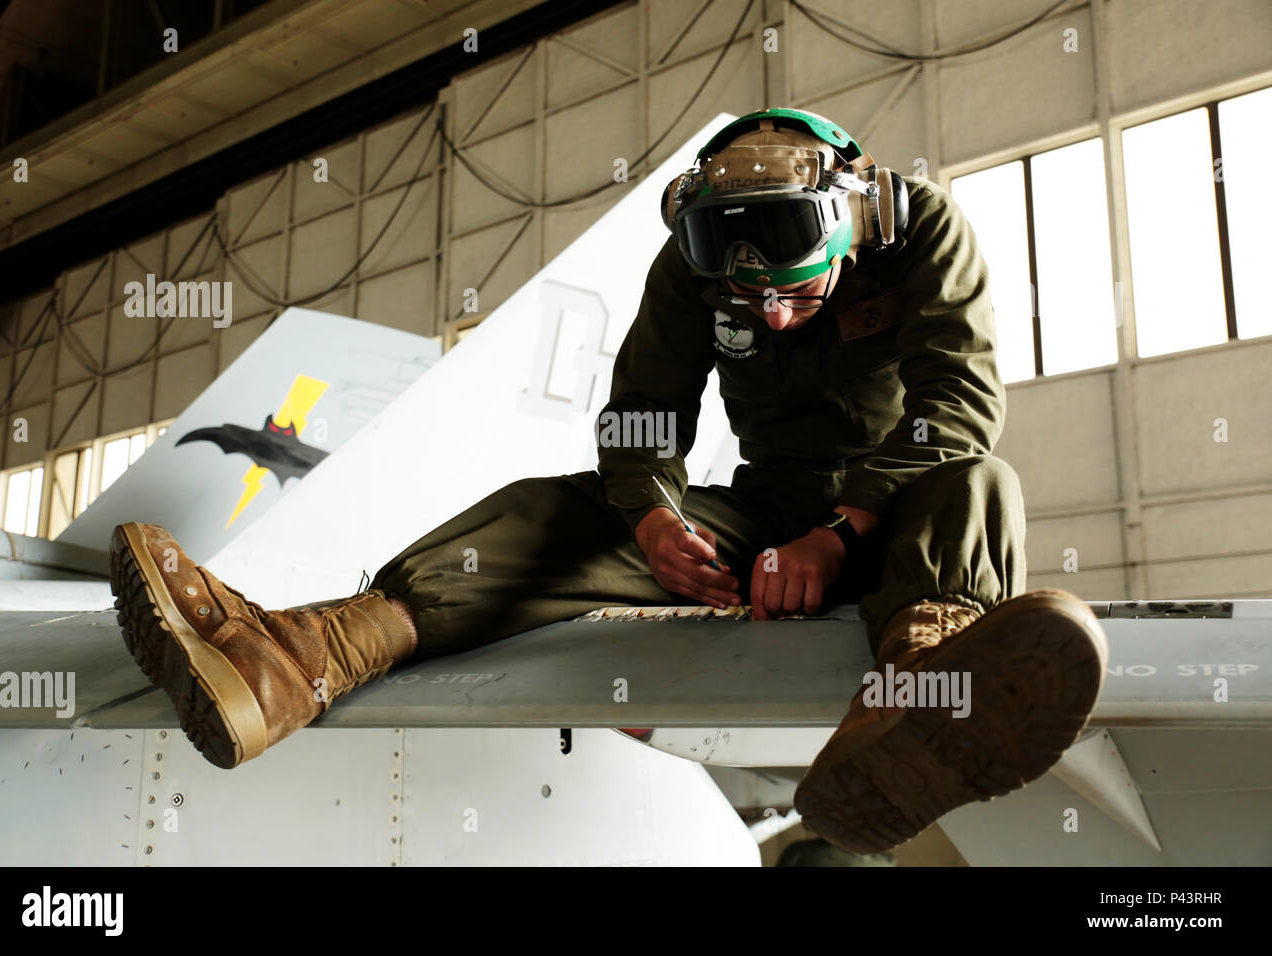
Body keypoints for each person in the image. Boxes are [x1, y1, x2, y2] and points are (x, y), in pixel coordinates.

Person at [108, 107, 1107, 855]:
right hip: (763, 501)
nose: (773, 319)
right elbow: (640, 419)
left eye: (799, 295)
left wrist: (838, 534)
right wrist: (654, 515)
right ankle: (303, 655)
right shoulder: (694, 263)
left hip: (894, 505)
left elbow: (957, 406)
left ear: (851, 231)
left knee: (980, 479)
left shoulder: (917, 226)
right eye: (747, 298)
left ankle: (914, 692)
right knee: (558, 508)